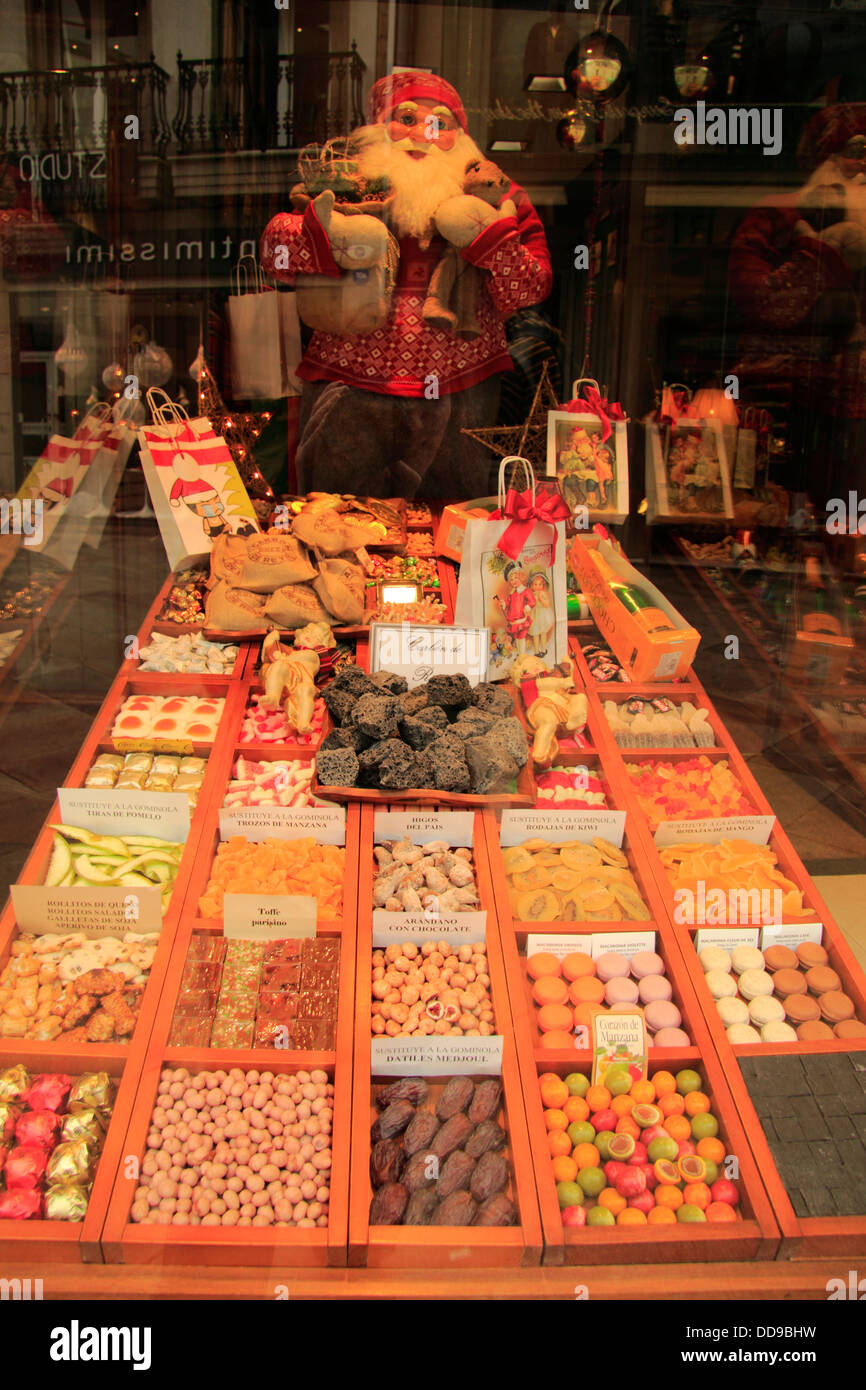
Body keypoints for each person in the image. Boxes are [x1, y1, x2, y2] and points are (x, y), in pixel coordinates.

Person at [259, 72, 552, 500]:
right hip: (350, 380)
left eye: (441, 123)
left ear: (462, 138)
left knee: (450, 518)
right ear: (380, 129)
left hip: (460, 383)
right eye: (407, 118)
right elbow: (276, 257)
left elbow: (530, 288)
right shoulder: (346, 182)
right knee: (334, 516)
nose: (422, 134)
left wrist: (486, 238)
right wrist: (329, 237)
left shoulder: (497, 196)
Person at [729, 103, 866, 503]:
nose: (862, 166)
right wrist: (827, 252)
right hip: (785, 401)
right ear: (825, 157)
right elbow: (764, 302)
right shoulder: (778, 214)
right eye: (855, 150)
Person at [528, 571, 555, 655]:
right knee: (535, 634)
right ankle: (536, 651)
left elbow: (547, 604)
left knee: (543, 633)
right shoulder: (531, 594)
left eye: (540, 584)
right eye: (535, 584)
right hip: (535, 615)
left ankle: (543, 650)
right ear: (532, 586)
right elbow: (529, 604)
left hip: (543, 615)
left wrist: (541, 599)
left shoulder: (543, 594)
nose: (537, 587)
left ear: (543, 586)